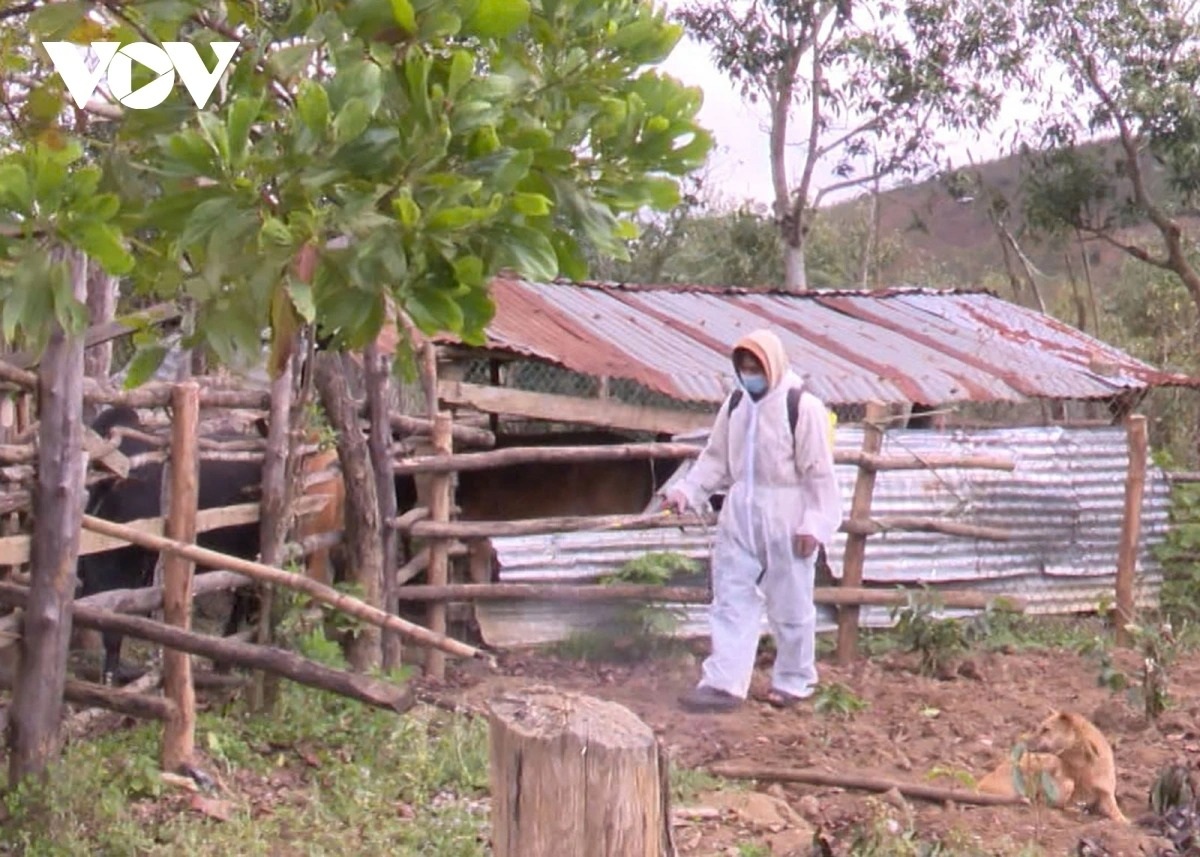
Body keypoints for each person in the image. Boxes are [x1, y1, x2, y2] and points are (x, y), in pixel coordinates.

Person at [661, 329, 843, 713]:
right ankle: (724, 683)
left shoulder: (801, 406)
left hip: (787, 512)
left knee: (790, 603)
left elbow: (819, 474)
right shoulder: (736, 404)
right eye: (743, 368)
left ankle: (795, 680)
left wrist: (815, 523)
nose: (749, 374)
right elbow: (715, 459)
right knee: (731, 597)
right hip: (740, 509)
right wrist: (687, 491)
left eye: (755, 367)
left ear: (772, 365)